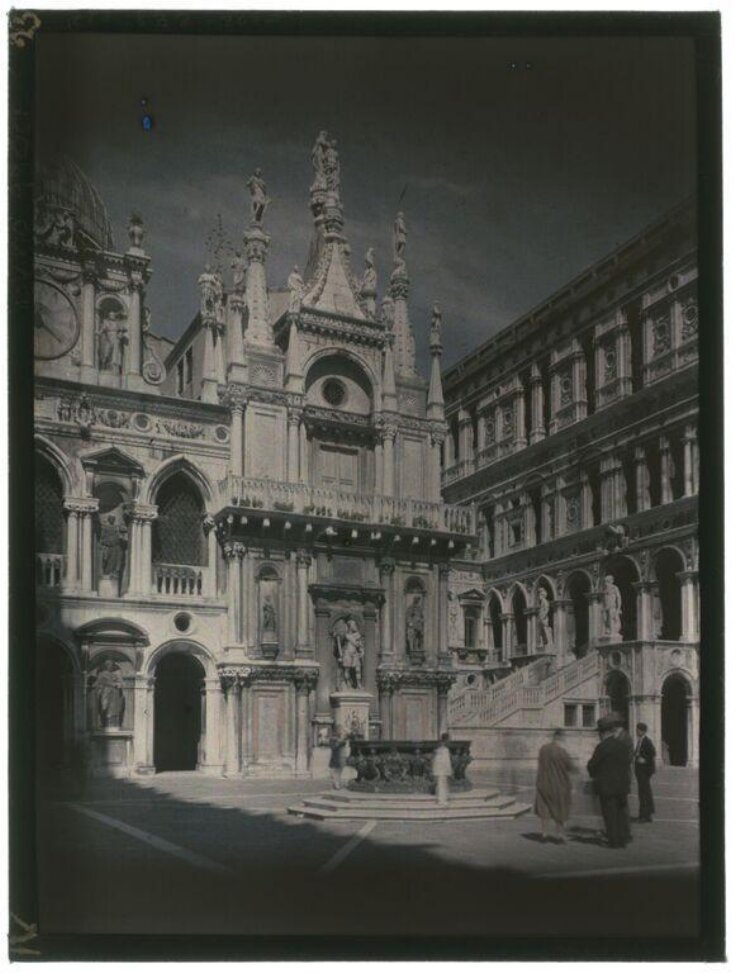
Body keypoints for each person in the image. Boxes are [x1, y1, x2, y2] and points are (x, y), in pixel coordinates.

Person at [587, 715, 632, 848]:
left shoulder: (602, 747)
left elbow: (592, 766)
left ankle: (614, 840)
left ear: (603, 733)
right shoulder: (622, 746)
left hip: (607, 787)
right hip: (622, 786)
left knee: (610, 814)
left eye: (599, 733)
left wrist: (594, 773)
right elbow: (627, 763)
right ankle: (622, 838)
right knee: (620, 813)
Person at [534, 729, 575, 843]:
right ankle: (559, 835)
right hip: (559, 784)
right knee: (560, 809)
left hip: (543, 782)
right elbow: (570, 767)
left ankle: (544, 834)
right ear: (560, 737)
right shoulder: (562, 752)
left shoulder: (543, 749)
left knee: (545, 810)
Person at [633, 722, 656, 822]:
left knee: (644, 793)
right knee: (644, 792)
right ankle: (647, 814)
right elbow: (637, 752)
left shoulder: (646, 741)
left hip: (644, 770)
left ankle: (644, 815)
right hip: (640, 770)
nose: (636, 732)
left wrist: (644, 759)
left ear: (642, 731)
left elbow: (653, 753)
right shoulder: (640, 741)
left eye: (638, 730)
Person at [432, 733, 453, 808]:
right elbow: (446, 762)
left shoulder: (439, 749)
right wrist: (449, 771)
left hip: (440, 770)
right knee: (442, 785)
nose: (449, 741)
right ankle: (442, 801)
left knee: (441, 785)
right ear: (446, 740)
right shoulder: (444, 750)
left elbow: (436, 760)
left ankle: (442, 799)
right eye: (448, 739)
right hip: (443, 770)